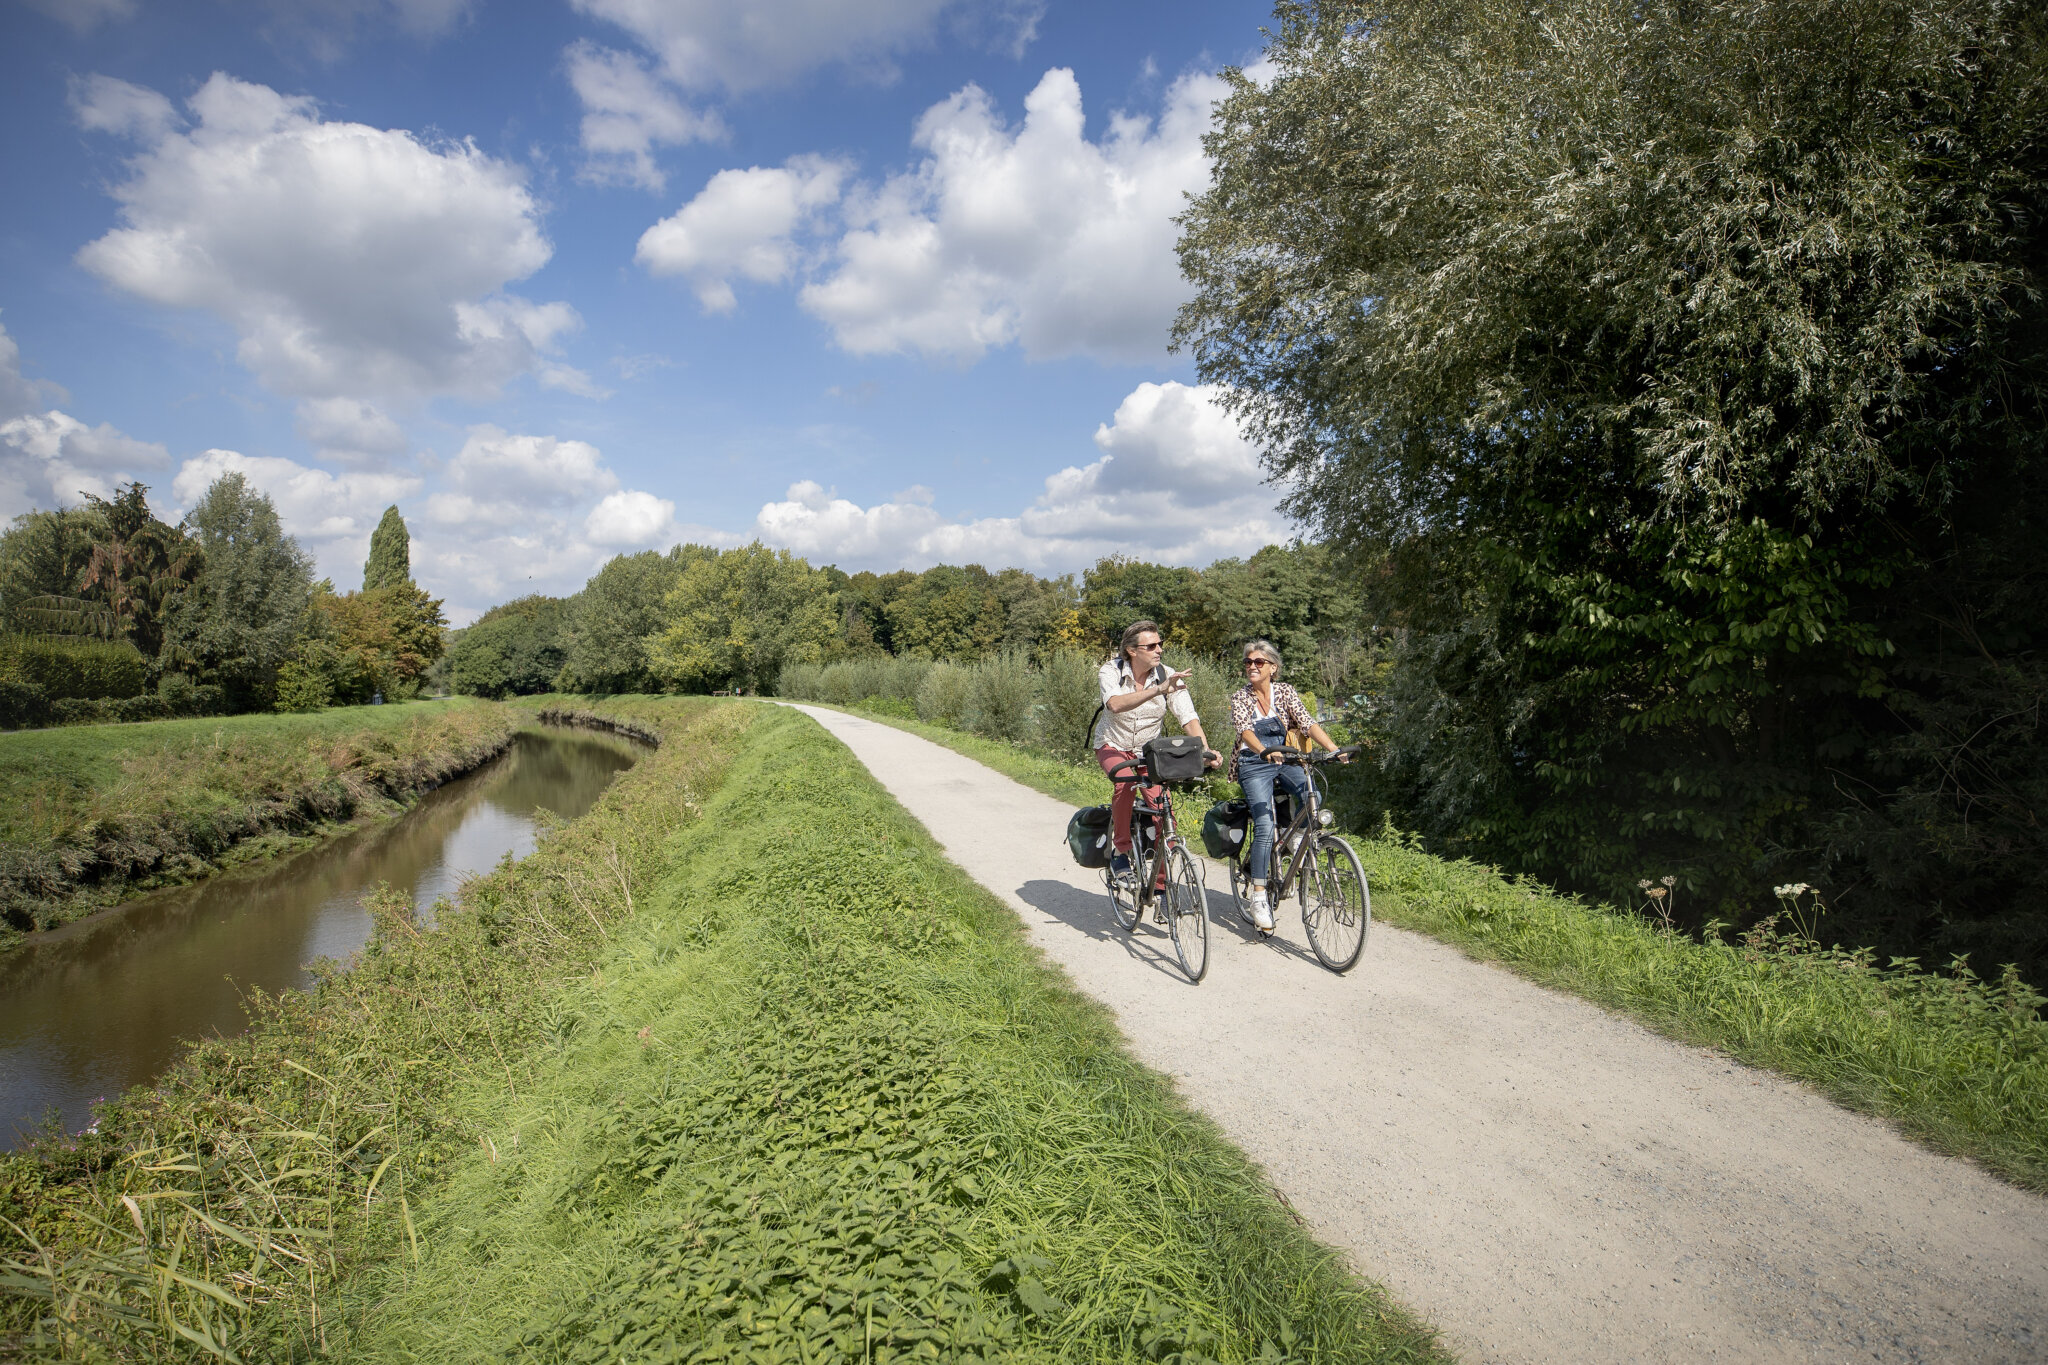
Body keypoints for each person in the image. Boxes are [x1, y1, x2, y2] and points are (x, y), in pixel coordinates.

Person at [1229, 638, 1346, 931]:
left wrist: (1334, 749)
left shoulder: (1285, 692)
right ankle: (1258, 897)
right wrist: (1263, 751)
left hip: (1285, 758)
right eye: (1248, 662)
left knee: (1312, 794)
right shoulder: (1240, 697)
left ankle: (1297, 836)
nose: (1252, 666)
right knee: (1264, 825)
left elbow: (1307, 722)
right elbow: (1244, 731)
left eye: (1258, 662)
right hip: (1253, 761)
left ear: (1273, 667)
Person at [1093, 619, 1221, 886]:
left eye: (1160, 644)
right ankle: (1120, 852)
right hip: (1112, 744)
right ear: (1132, 650)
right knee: (1125, 783)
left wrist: (1206, 750)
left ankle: (1161, 888)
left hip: (1148, 750)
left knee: (1163, 808)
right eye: (1151, 646)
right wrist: (1158, 690)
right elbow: (1114, 704)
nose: (1159, 649)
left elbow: (1188, 717)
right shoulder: (1111, 670)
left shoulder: (1168, 674)